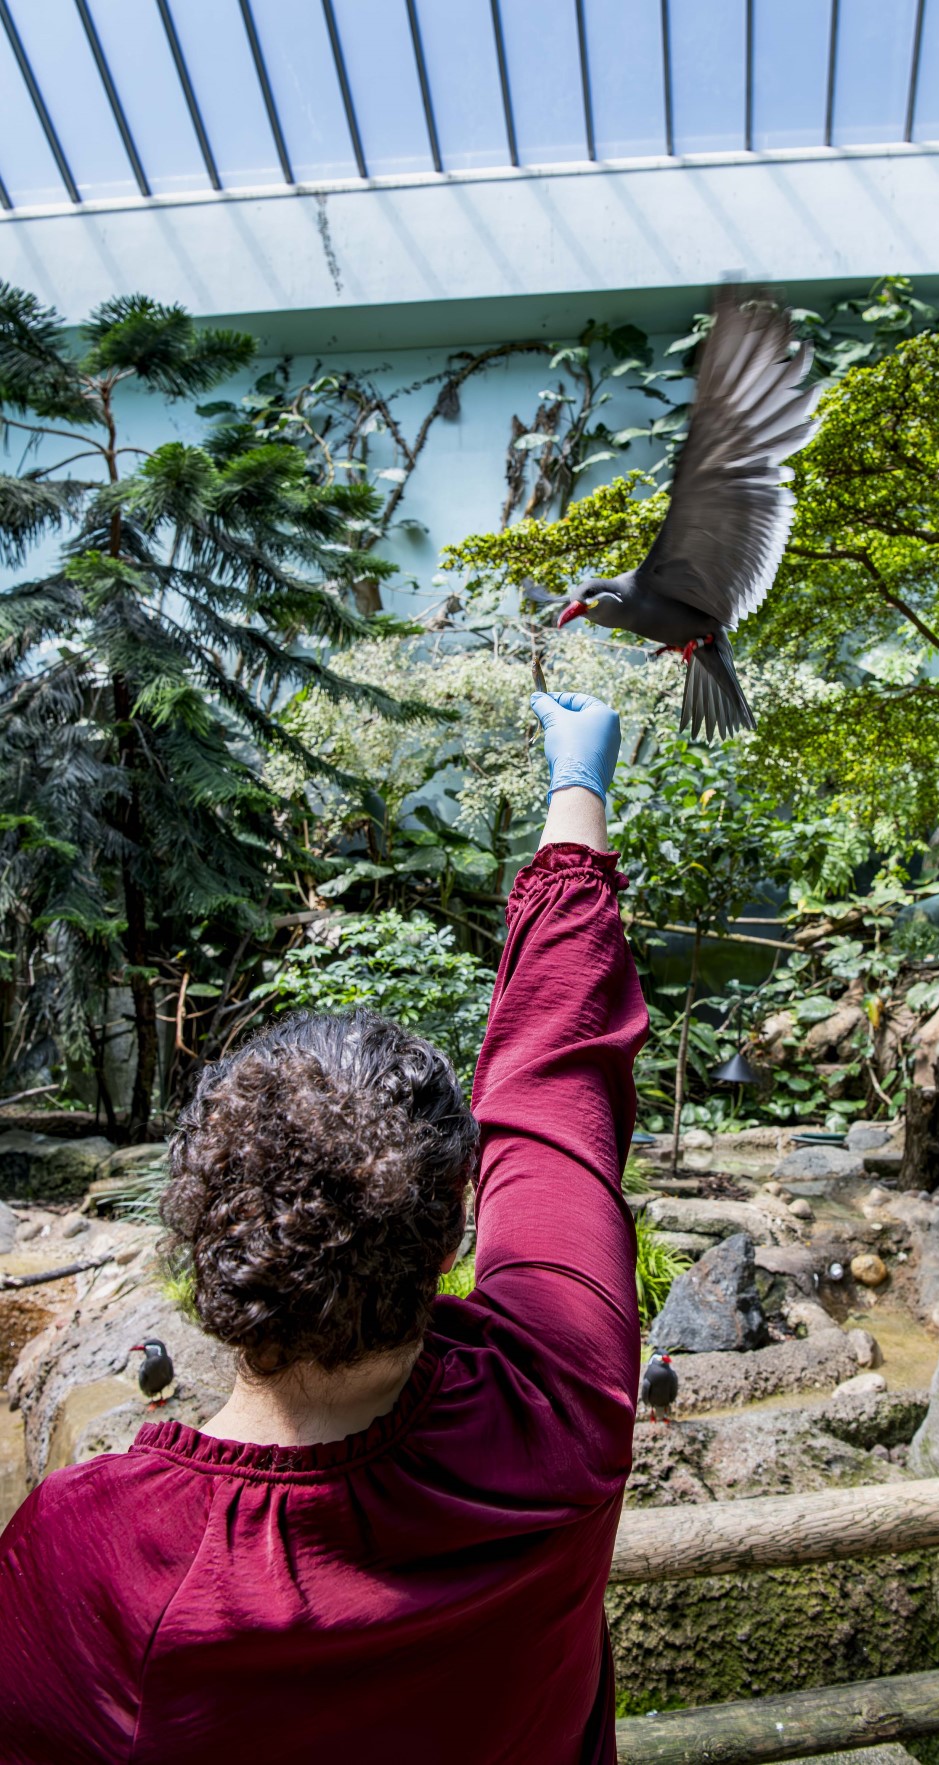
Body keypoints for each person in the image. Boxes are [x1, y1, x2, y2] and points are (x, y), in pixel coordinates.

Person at [0, 690, 647, 1765]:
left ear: (203, 1239)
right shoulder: (562, 1403)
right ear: (453, 1227)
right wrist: (575, 793)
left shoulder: (96, 1553)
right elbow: (554, 1083)